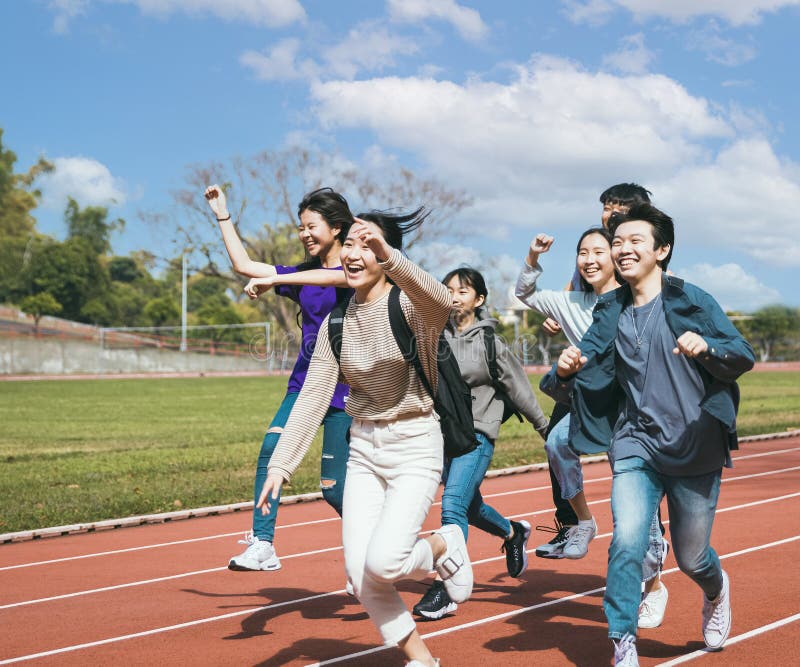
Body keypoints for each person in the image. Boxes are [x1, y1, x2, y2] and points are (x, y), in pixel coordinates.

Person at [540, 203, 755, 666]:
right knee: (628, 541)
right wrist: (562, 372)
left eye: (635, 240)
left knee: (693, 557)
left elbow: (742, 353)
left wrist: (708, 347)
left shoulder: (690, 300)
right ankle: (623, 638)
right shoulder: (610, 308)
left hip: (695, 443)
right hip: (636, 442)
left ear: (662, 250)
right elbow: (586, 360)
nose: (622, 249)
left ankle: (716, 592)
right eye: (617, 241)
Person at [258, 211, 473, 667]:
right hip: (364, 449)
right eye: (350, 245)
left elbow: (440, 300)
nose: (355, 253)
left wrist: (391, 255)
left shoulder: (410, 307)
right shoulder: (337, 325)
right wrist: (280, 466)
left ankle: (445, 542)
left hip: (415, 440)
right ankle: (421, 659)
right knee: (360, 576)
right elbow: (313, 396)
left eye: (367, 244)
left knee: (386, 564)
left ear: (385, 254)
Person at [204, 184, 353, 572]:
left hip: (351, 387)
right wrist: (223, 215)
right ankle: (263, 542)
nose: (303, 234)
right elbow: (244, 266)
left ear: (336, 227)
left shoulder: (358, 266)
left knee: (335, 490)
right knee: (272, 450)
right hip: (306, 382)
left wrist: (273, 281)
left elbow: (339, 280)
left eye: (311, 226)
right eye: (299, 227)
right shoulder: (303, 273)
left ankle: (372, 550)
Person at [412, 268, 549, 621]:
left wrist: (544, 427)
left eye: (463, 290)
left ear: (479, 299)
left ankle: (446, 588)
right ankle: (512, 531)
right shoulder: (431, 336)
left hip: (477, 436)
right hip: (441, 437)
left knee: (453, 505)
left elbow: (519, 388)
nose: (454, 296)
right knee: (470, 507)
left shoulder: (491, 343)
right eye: (448, 290)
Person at [514, 228, 620, 560]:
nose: (589, 259)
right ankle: (583, 521)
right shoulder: (569, 301)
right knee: (557, 442)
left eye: (598, 252)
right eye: (583, 252)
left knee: (627, 473)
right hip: (587, 398)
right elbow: (524, 292)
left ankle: (646, 542)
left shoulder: (635, 298)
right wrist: (533, 256)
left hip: (627, 402)